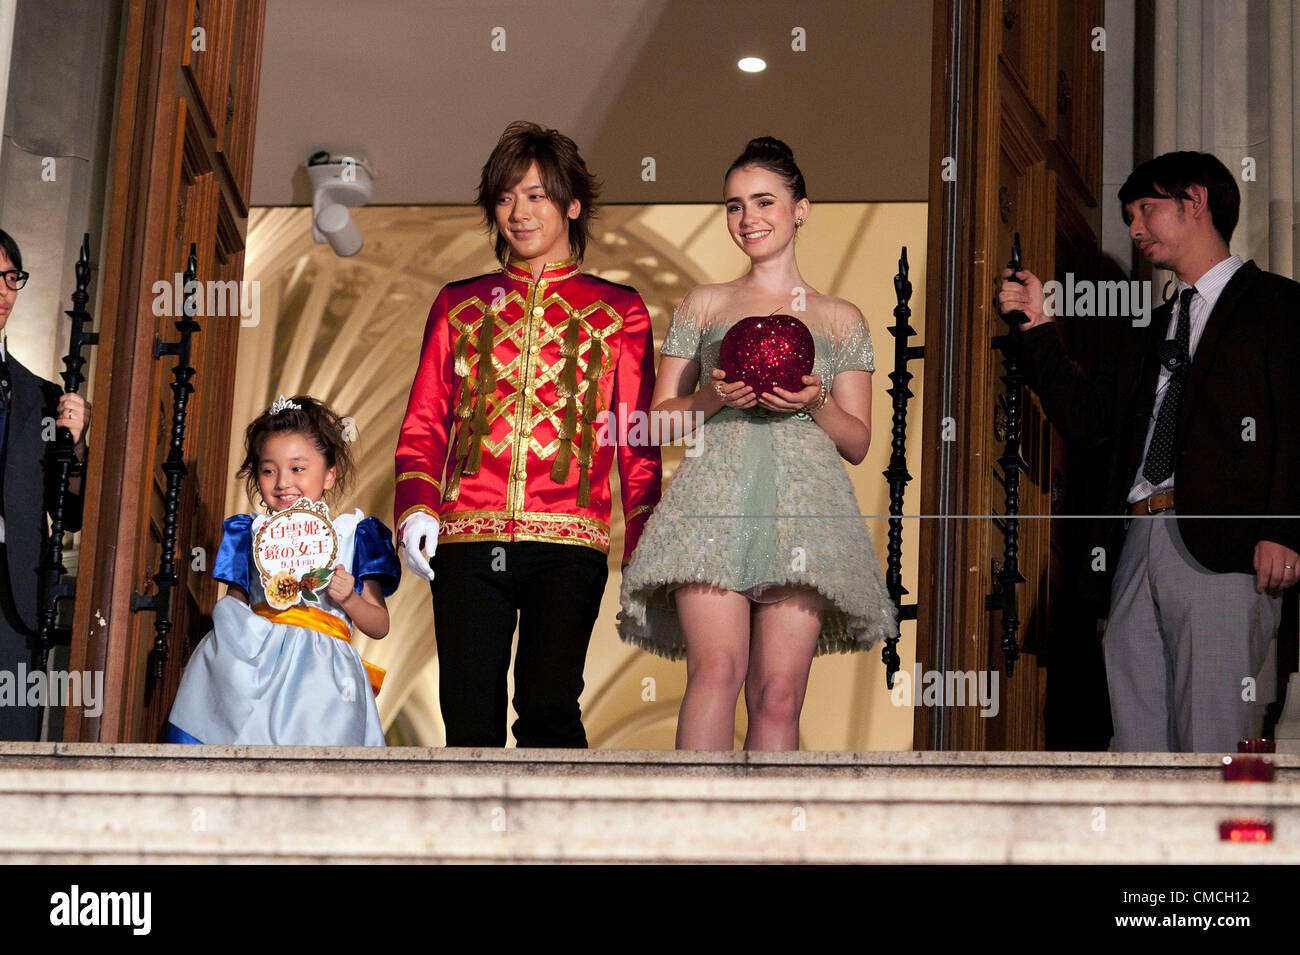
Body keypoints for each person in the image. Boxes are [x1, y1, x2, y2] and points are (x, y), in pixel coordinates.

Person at [997, 150, 1300, 752]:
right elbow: (1090, 422)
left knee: (1211, 735)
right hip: (1134, 541)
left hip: (1225, 545)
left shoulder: (1278, 305)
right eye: (1130, 214)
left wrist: (1283, 526)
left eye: (1146, 209)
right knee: (1136, 743)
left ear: (1196, 201)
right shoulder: (1149, 329)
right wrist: (1036, 329)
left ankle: (1212, 849)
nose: (1134, 229)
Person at [618, 137, 898, 751]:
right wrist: (708, 401)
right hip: (712, 505)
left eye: (764, 202)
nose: (748, 220)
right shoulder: (705, 303)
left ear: (800, 209)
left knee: (778, 693)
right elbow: (657, 422)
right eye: (734, 206)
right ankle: (700, 842)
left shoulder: (841, 318)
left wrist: (816, 402)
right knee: (715, 672)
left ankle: (771, 845)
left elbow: (857, 441)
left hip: (804, 512)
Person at [395, 121, 662, 748]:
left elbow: (637, 441)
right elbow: (425, 421)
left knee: (547, 707)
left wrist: (645, 546)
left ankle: (557, 845)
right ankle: (472, 847)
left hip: (570, 542)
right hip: (465, 535)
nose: (519, 212)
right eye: (506, 197)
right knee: (467, 716)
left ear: (572, 204)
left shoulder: (618, 310)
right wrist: (415, 508)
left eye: (537, 195)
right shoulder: (458, 303)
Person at [166, 395, 399, 745]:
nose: (282, 482)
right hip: (256, 668)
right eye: (268, 469)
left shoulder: (355, 535)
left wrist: (348, 598)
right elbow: (235, 606)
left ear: (330, 474)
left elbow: (379, 625)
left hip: (324, 680)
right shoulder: (251, 533)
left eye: (298, 469)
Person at [0, 228, 89, 740]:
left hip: (13, 599)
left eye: (12, 278)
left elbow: (71, 510)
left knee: (10, 748)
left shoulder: (40, 395)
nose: (4, 291)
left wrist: (74, 446)